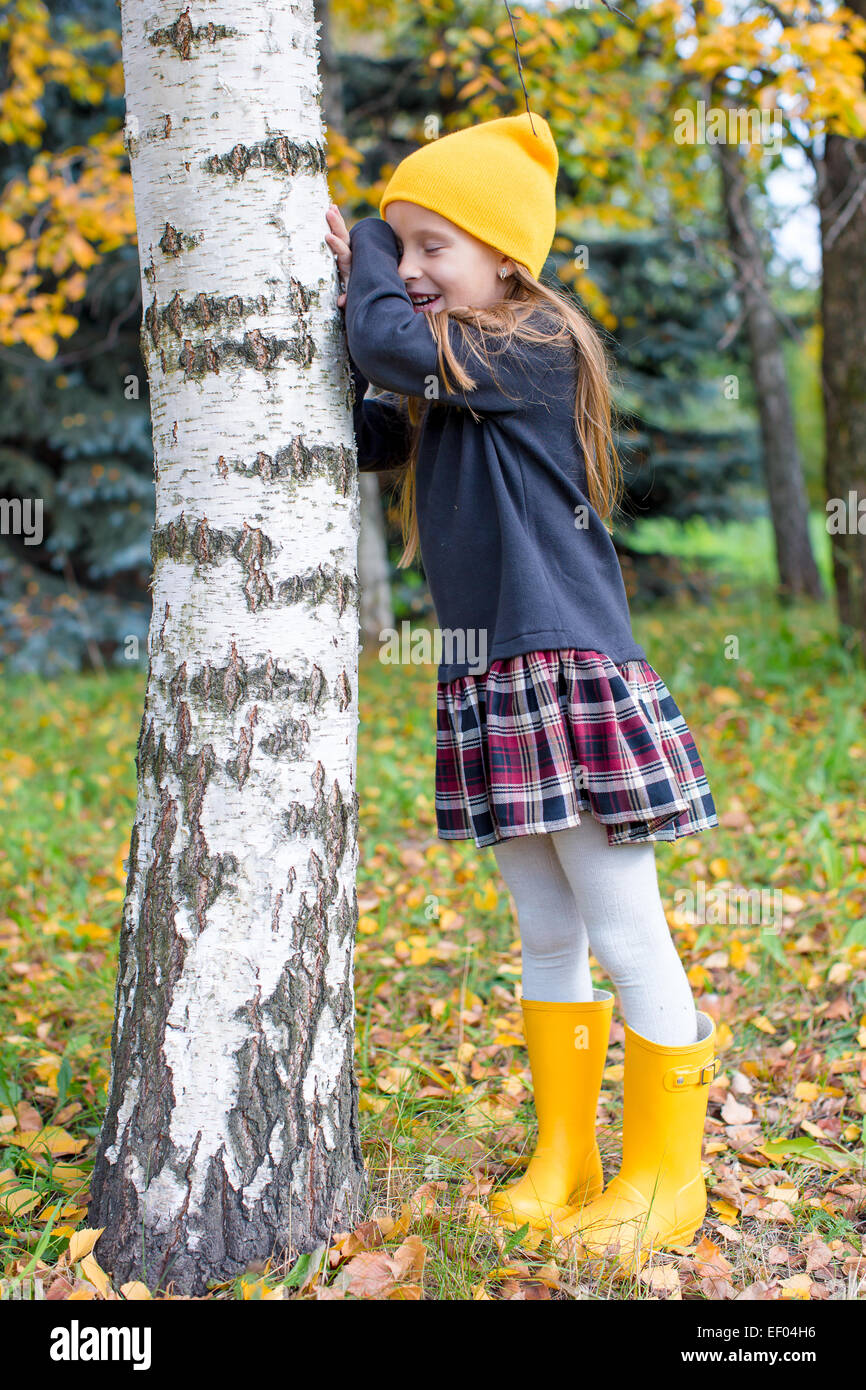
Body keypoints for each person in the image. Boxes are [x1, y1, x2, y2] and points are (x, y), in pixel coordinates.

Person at [325, 110, 722, 1267]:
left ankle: (666, 1177)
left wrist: (350, 240)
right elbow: (365, 424)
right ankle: (567, 1158)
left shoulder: (529, 348)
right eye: (396, 249)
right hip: (490, 677)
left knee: (621, 924)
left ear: (505, 256)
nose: (404, 270)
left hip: (562, 669)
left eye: (428, 246)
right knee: (544, 927)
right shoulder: (458, 379)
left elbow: (390, 349)